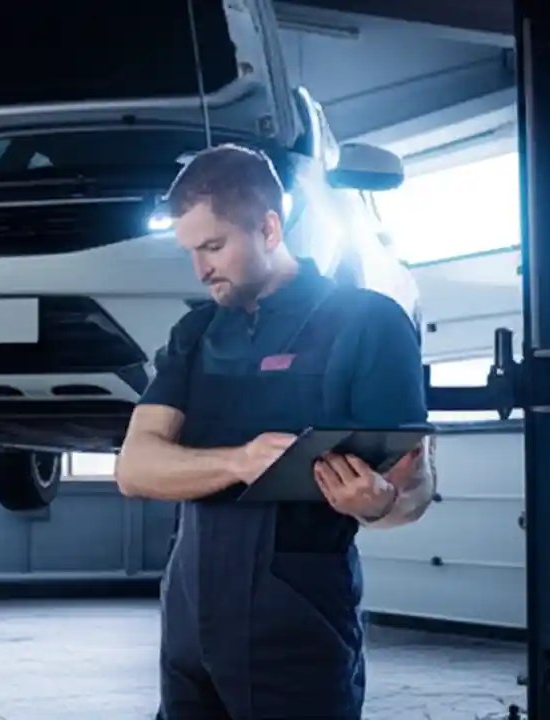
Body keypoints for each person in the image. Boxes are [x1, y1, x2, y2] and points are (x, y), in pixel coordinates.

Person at [114, 144, 436, 720]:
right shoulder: (196, 333)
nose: (201, 267)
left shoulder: (366, 323)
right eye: (191, 250)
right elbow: (135, 469)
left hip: (298, 626)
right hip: (188, 623)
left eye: (214, 247)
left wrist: (378, 502)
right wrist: (241, 462)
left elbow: (415, 485)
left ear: (268, 227)